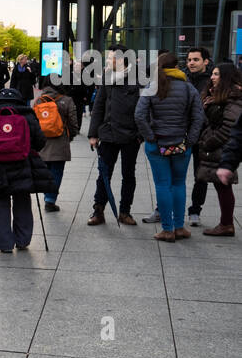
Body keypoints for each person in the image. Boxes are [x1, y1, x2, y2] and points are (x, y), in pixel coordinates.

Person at [134, 51, 206, 241]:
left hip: (158, 144)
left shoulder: (152, 87)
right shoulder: (188, 88)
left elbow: (139, 115)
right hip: (181, 144)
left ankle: (167, 229)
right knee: (179, 184)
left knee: (162, 184)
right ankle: (179, 227)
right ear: (176, 67)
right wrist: (190, 139)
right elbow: (199, 117)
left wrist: (150, 137)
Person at [0, 86, 54, 251]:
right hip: (22, 166)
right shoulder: (27, 113)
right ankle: (23, 240)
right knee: (22, 201)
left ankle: (4, 244)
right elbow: (40, 141)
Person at [87, 48, 141, 226]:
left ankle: (125, 211)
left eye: (111, 58)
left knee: (128, 175)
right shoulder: (107, 77)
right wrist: (93, 134)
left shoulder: (137, 78)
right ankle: (98, 210)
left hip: (130, 136)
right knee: (104, 173)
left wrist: (140, 135)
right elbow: (98, 106)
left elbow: (145, 108)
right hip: (108, 134)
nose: (108, 61)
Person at [195, 61, 242, 238]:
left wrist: (210, 141)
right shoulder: (218, 96)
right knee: (220, 185)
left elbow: (230, 127)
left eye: (216, 74)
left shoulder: (234, 97)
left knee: (223, 186)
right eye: (212, 74)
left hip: (222, 148)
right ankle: (226, 222)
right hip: (217, 146)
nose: (212, 77)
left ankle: (227, 224)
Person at [35, 79, 78, 211]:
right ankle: (50, 200)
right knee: (57, 172)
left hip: (42, 143)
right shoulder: (67, 100)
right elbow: (73, 122)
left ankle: (47, 195)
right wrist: (71, 136)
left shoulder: (38, 100)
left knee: (45, 171)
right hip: (60, 142)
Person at [185, 46, 215, 227]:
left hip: (203, 136)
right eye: (189, 60)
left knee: (200, 175)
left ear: (205, 61)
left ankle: (195, 210)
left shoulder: (213, 80)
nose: (191, 63)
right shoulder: (182, 77)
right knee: (172, 174)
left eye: (195, 60)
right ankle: (161, 208)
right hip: (181, 134)